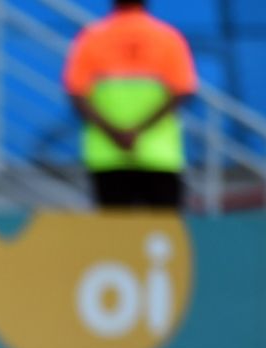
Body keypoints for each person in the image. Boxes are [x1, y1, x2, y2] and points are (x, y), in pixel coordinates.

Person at [63, 0, 197, 211]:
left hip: (107, 154)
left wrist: (115, 133)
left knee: (114, 238)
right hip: (159, 154)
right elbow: (182, 91)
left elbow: (76, 94)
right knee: (164, 236)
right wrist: (139, 132)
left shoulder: (92, 37)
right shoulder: (168, 38)